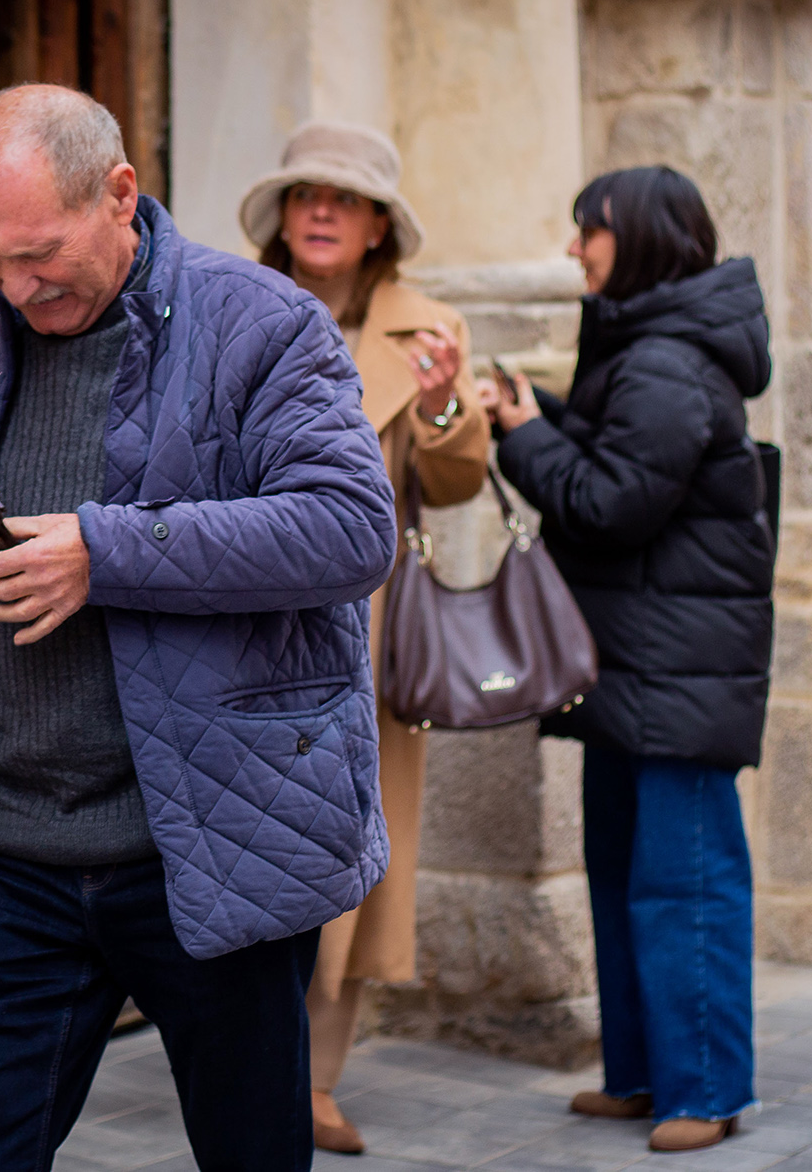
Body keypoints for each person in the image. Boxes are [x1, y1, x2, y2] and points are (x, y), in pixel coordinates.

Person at [0, 85, 400, 1172]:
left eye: (37, 252)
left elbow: (348, 526)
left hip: (211, 843)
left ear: (120, 195)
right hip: (5, 850)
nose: (12, 284)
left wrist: (109, 553)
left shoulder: (265, 321)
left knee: (251, 1151)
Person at [479, 166, 774, 1154]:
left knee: (682, 882)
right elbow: (618, 459)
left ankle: (704, 1088)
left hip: (674, 670)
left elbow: (610, 501)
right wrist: (539, 411)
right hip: (639, 662)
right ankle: (644, 1074)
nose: (573, 248)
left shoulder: (668, 361)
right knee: (622, 870)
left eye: (587, 231)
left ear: (637, 237)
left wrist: (522, 437)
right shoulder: (650, 352)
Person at [240, 120, 490, 1155]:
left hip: (363, 637)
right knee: (244, 848)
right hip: (240, 613)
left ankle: (312, 1079)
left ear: (380, 223)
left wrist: (440, 412)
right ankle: (243, 1063)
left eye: (344, 199)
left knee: (345, 859)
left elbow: (458, 481)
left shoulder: (427, 331)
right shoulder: (230, 308)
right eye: (306, 195)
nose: (322, 212)